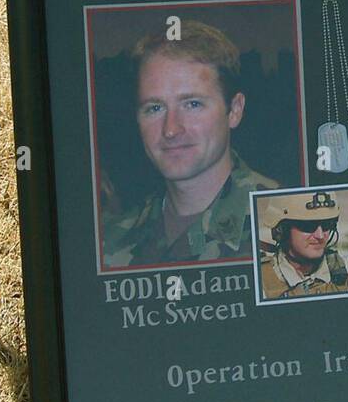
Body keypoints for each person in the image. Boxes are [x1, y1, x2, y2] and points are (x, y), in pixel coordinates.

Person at [101, 20, 278, 269]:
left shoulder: (290, 225)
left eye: (192, 104)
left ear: (234, 110)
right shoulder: (109, 243)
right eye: (155, 108)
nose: (171, 129)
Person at [257, 191, 348, 300]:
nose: (320, 235)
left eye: (326, 225)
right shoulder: (259, 281)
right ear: (281, 230)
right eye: (308, 226)